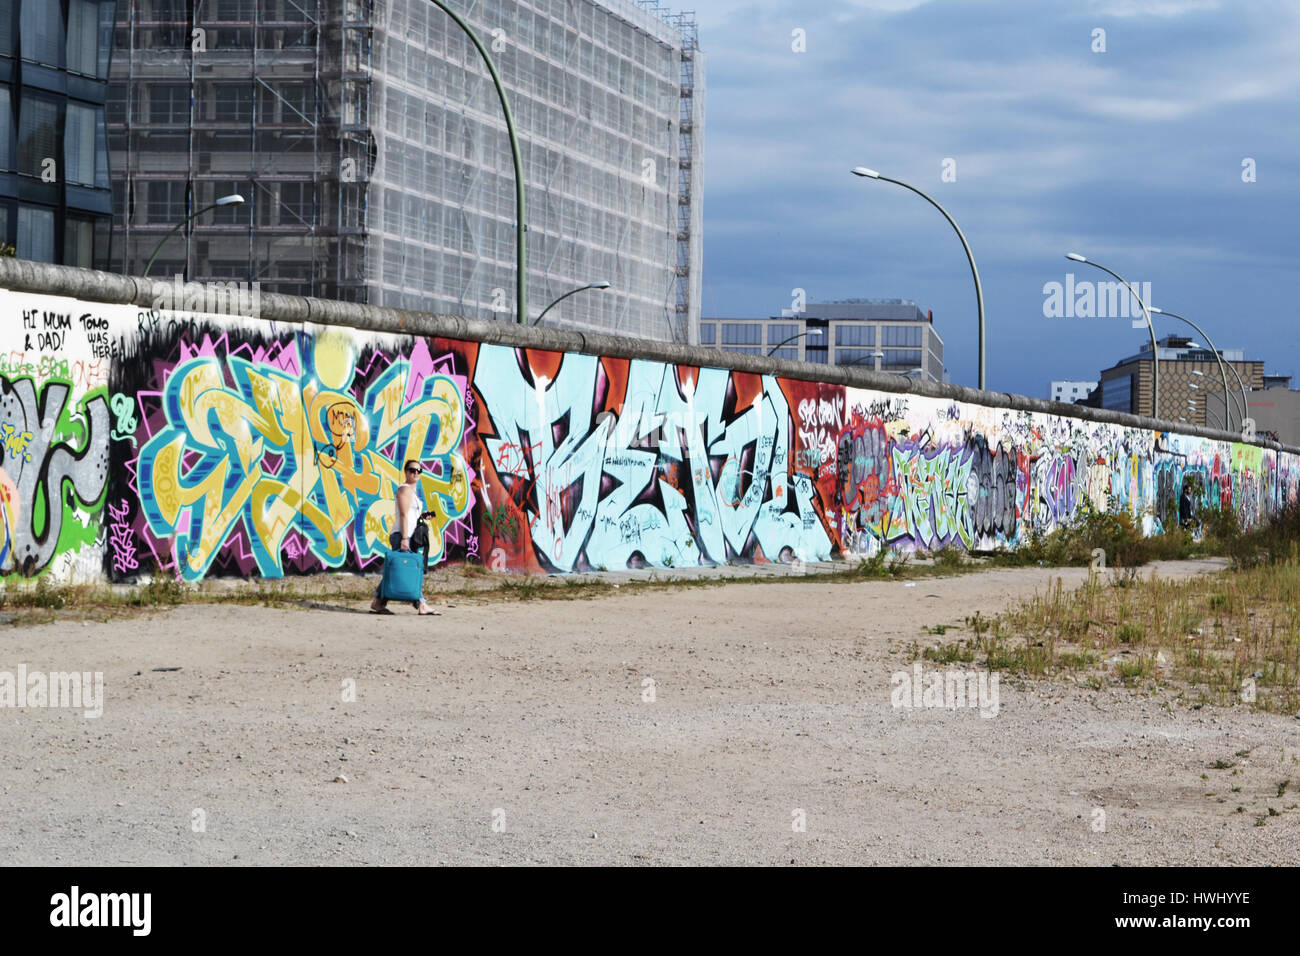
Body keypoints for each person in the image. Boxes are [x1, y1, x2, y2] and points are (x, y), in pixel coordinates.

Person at [371, 460, 442, 616]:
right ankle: (421, 604)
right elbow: (403, 514)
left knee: (397, 570)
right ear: (406, 472)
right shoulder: (404, 490)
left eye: (418, 470)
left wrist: (423, 516)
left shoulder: (412, 492)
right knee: (408, 570)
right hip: (402, 535)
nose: (416, 473)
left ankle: (378, 602)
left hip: (408, 535)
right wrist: (404, 538)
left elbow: (410, 515)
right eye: (412, 470)